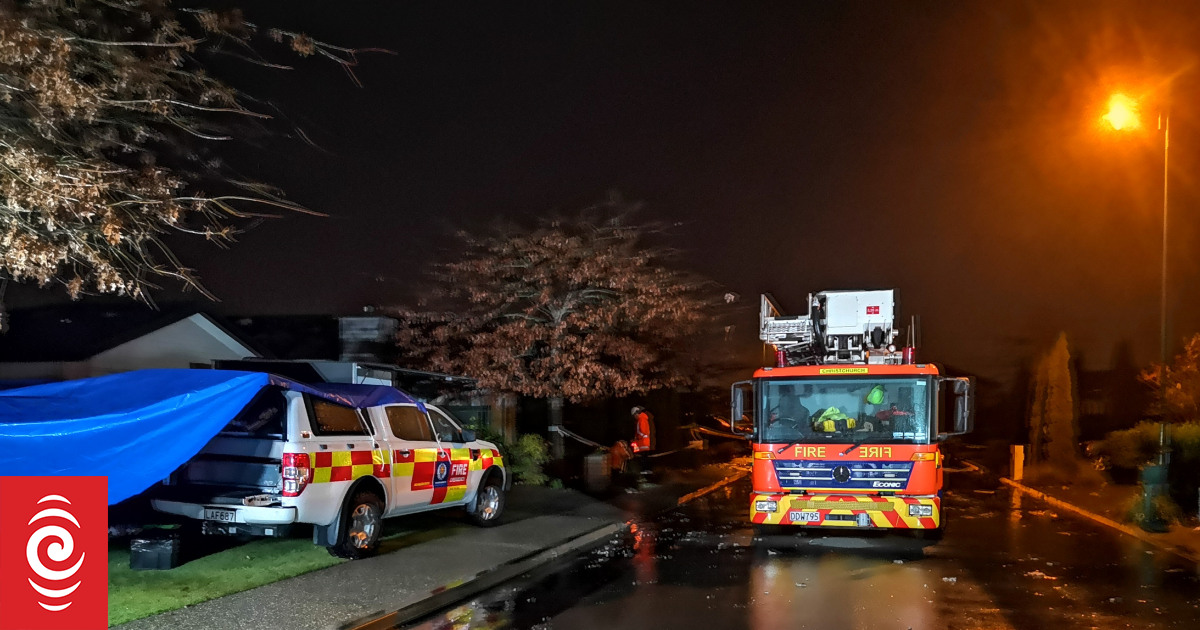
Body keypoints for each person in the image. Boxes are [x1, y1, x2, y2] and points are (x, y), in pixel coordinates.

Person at [630, 406, 655, 484]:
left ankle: (645, 478)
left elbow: (643, 432)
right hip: (642, 443)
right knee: (643, 460)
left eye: (634, 415)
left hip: (643, 443)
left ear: (637, 413)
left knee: (643, 461)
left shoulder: (642, 420)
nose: (634, 417)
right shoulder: (641, 419)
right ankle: (645, 477)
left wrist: (637, 438)